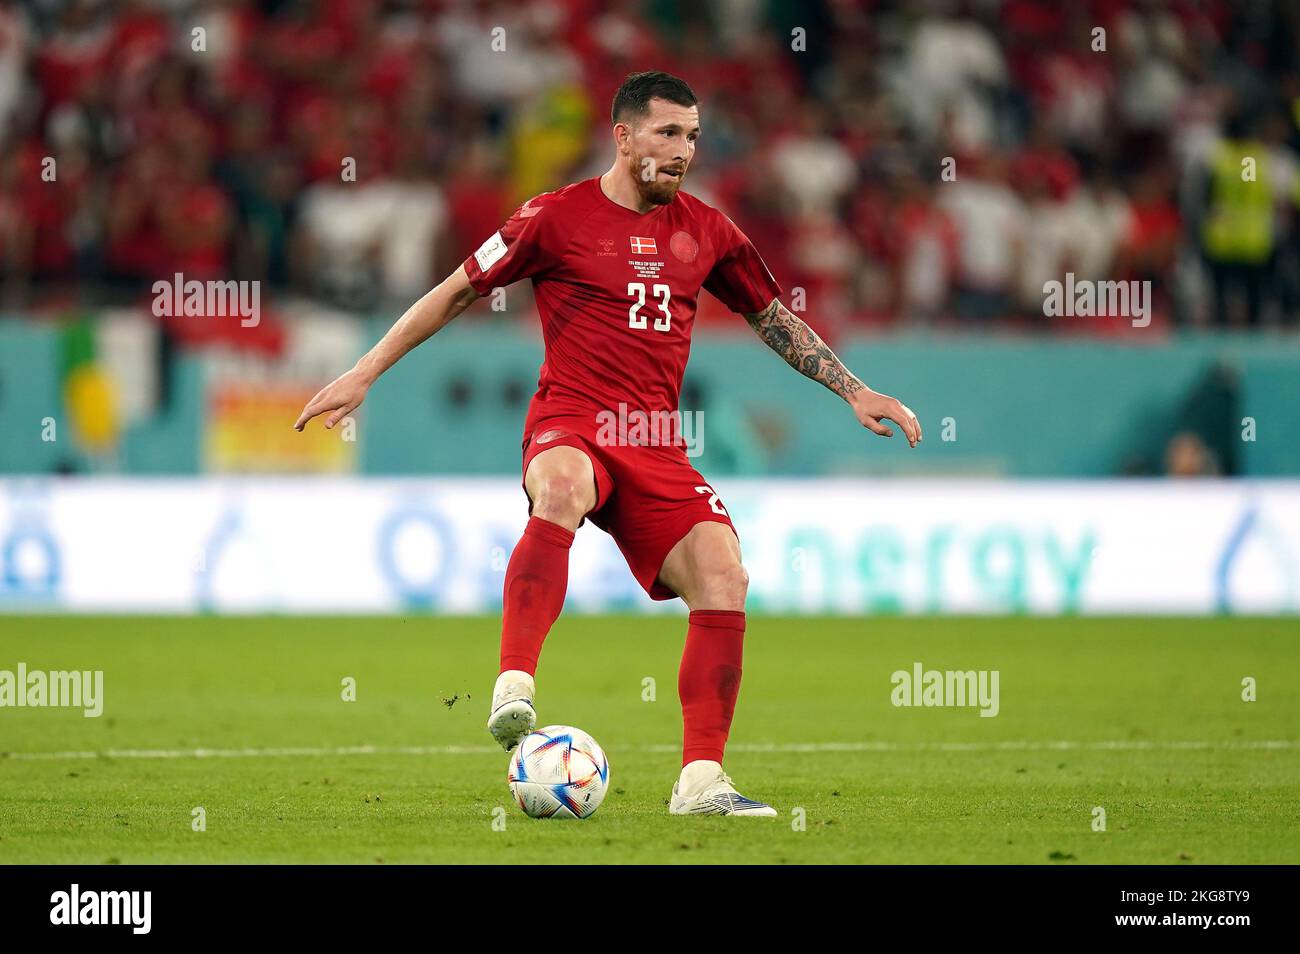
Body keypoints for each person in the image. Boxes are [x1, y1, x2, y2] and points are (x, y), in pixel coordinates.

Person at [294, 71, 922, 816]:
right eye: (668, 132)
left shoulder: (710, 231)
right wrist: (364, 371)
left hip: (655, 441)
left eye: (692, 136)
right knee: (561, 486)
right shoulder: (553, 217)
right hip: (571, 418)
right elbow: (457, 289)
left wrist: (854, 389)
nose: (683, 150)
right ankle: (514, 684)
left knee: (724, 574)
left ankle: (701, 781)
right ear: (623, 136)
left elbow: (774, 319)